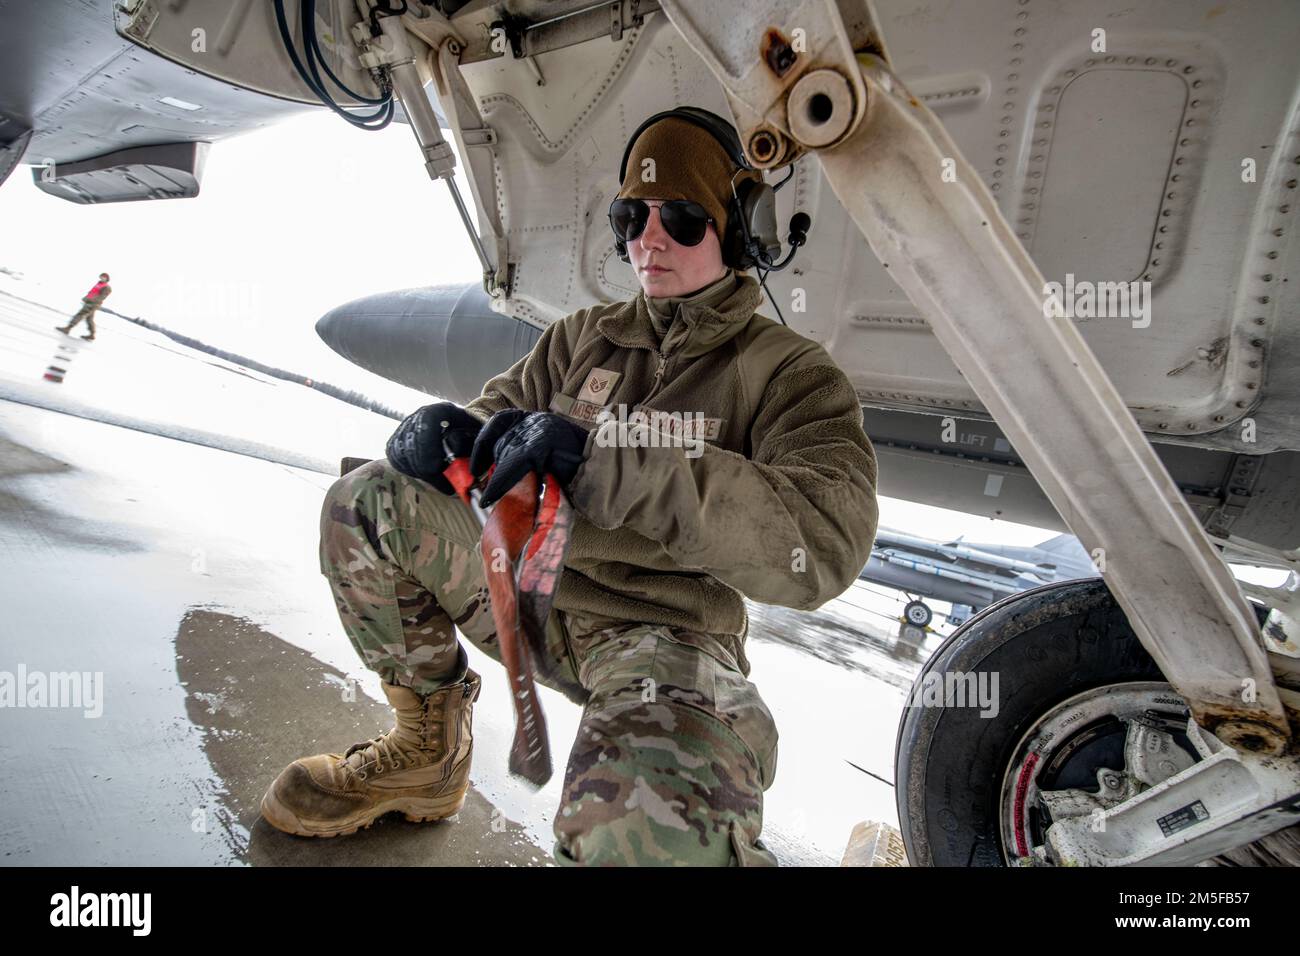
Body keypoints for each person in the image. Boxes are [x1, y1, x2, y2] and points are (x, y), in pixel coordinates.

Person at [260, 108, 880, 865]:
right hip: (537, 596)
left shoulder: (791, 375)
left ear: (739, 229)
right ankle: (429, 751)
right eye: (632, 216)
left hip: (664, 632)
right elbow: (494, 421)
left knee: (638, 837)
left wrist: (604, 462)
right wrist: (441, 437)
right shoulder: (582, 337)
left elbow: (821, 544)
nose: (648, 240)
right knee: (370, 501)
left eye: (682, 219)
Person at [56, 273, 111, 340]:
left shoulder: (106, 287)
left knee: (80, 315)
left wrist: (92, 302)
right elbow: (92, 292)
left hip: (93, 304)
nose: (102, 278)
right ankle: (92, 335)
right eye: (101, 276)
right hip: (89, 302)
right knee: (89, 319)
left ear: (107, 279)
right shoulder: (99, 284)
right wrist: (86, 298)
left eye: (104, 277)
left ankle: (68, 328)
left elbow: (101, 297)